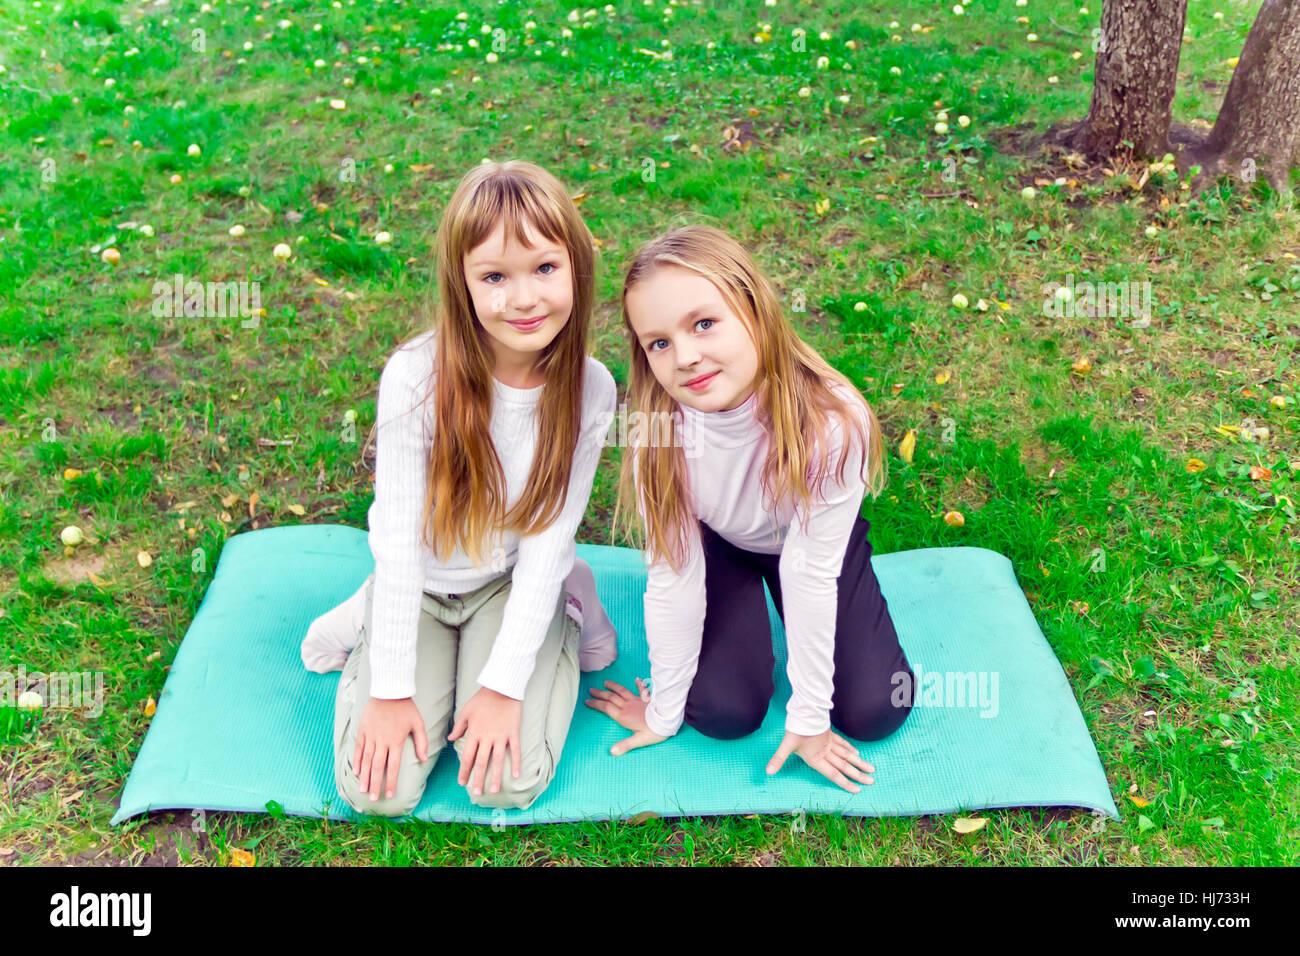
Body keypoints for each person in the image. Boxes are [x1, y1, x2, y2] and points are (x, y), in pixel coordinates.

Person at [304, 160, 618, 815]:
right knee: (376, 794)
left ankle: (571, 598)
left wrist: (503, 686)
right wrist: (389, 692)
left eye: (544, 269)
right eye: (495, 277)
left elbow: (548, 536)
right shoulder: (416, 376)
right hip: (416, 583)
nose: (525, 299)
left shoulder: (591, 388)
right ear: (463, 284)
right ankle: (370, 614)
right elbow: (397, 542)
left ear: (576, 271)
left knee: (506, 784)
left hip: (509, 580)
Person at [586, 225, 916, 794]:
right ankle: (743, 623)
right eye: (659, 343)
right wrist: (663, 710)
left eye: (704, 323)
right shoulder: (658, 438)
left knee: (876, 709)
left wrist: (810, 719)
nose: (685, 357)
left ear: (754, 310)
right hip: (722, 545)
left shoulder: (832, 423)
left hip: (811, 543)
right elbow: (673, 578)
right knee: (722, 714)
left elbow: (809, 573)